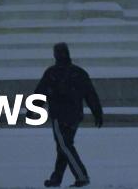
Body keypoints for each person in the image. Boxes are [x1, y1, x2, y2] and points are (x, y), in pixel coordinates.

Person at [34, 42, 103, 188]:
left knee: (64, 145)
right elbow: (90, 94)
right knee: (64, 146)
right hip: (75, 116)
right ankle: (56, 178)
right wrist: (97, 112)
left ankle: (81, 176)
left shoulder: (51, 73)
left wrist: (32, 109)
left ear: (55, 55)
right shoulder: (78, 72)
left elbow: (40, 93)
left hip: (59, 116)